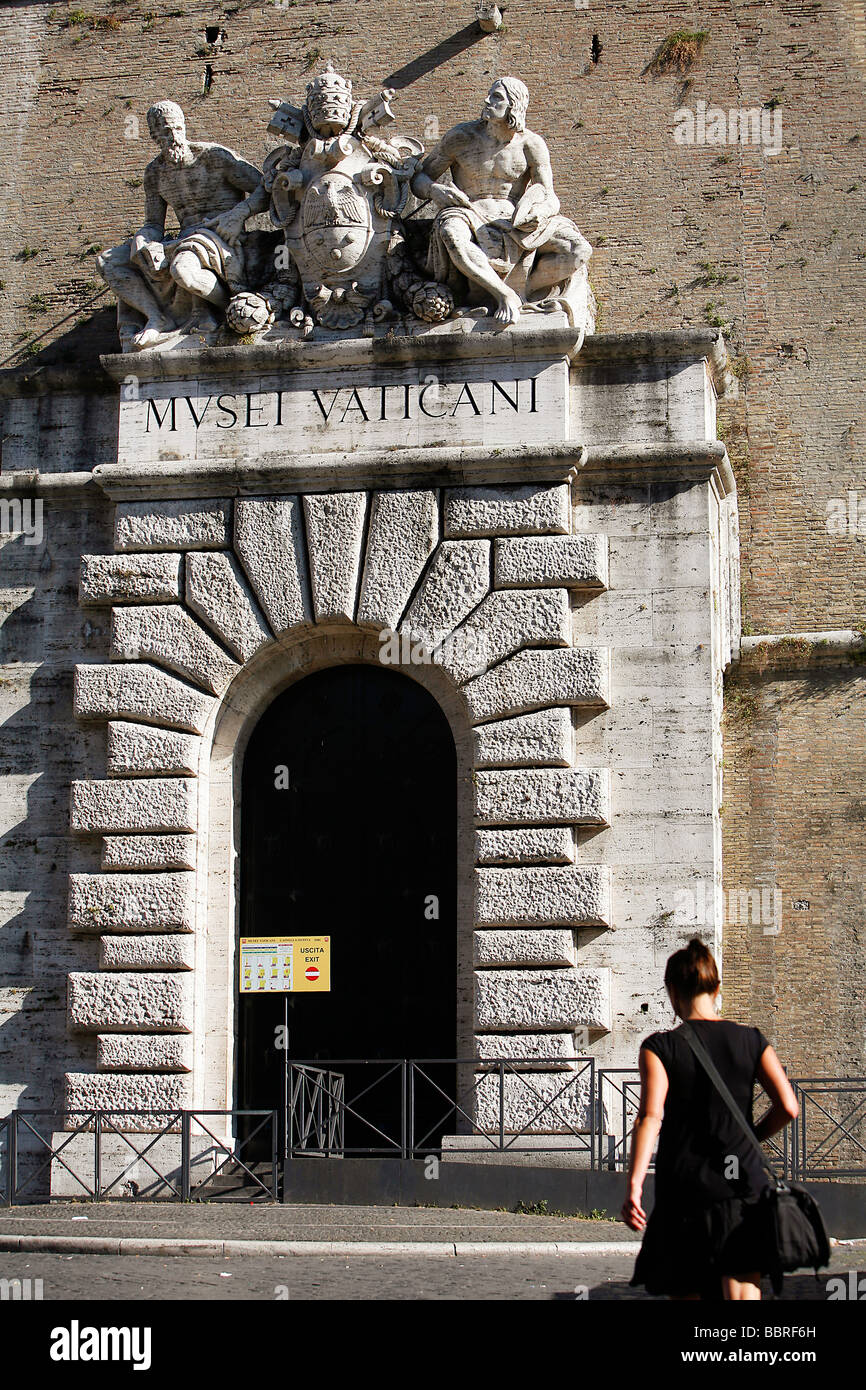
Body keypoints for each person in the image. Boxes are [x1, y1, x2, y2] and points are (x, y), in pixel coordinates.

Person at [621, 938, 799, 1300]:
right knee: (742, 1295)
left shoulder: (660, 1047)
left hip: (685, 1190)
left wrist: (635, 1185)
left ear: (672, 991)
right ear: (717, 988)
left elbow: (649, 1117)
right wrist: (753, 1136)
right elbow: (788, 1107)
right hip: (741, 1185)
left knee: (687, 1291)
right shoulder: (752, 1040)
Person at [411, 77, 591, 327]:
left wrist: (539, 211)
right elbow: (419, 178)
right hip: (468, 210)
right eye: (490, 94)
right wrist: (433, 191)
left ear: (514, 106)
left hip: (515, 218)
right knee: (451, 233)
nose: (487, 100)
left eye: (496, 97)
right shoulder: (461, 137)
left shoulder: (531, 144)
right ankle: (502, 294)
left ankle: (523, 290)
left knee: (578, 250)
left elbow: (548, 194)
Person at [98, 101, 266, 349]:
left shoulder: (214, 158)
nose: (174, 137)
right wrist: (144, 241)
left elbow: (266, 188)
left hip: (222, 235)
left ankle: (225, 308)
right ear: (154, 136)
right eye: (166, 131)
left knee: (181, 270)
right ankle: (157, 317)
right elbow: (154, 223)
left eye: (178, 128)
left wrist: (239, 214)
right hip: (183, 238)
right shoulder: (154, 173)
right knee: (109, 261)